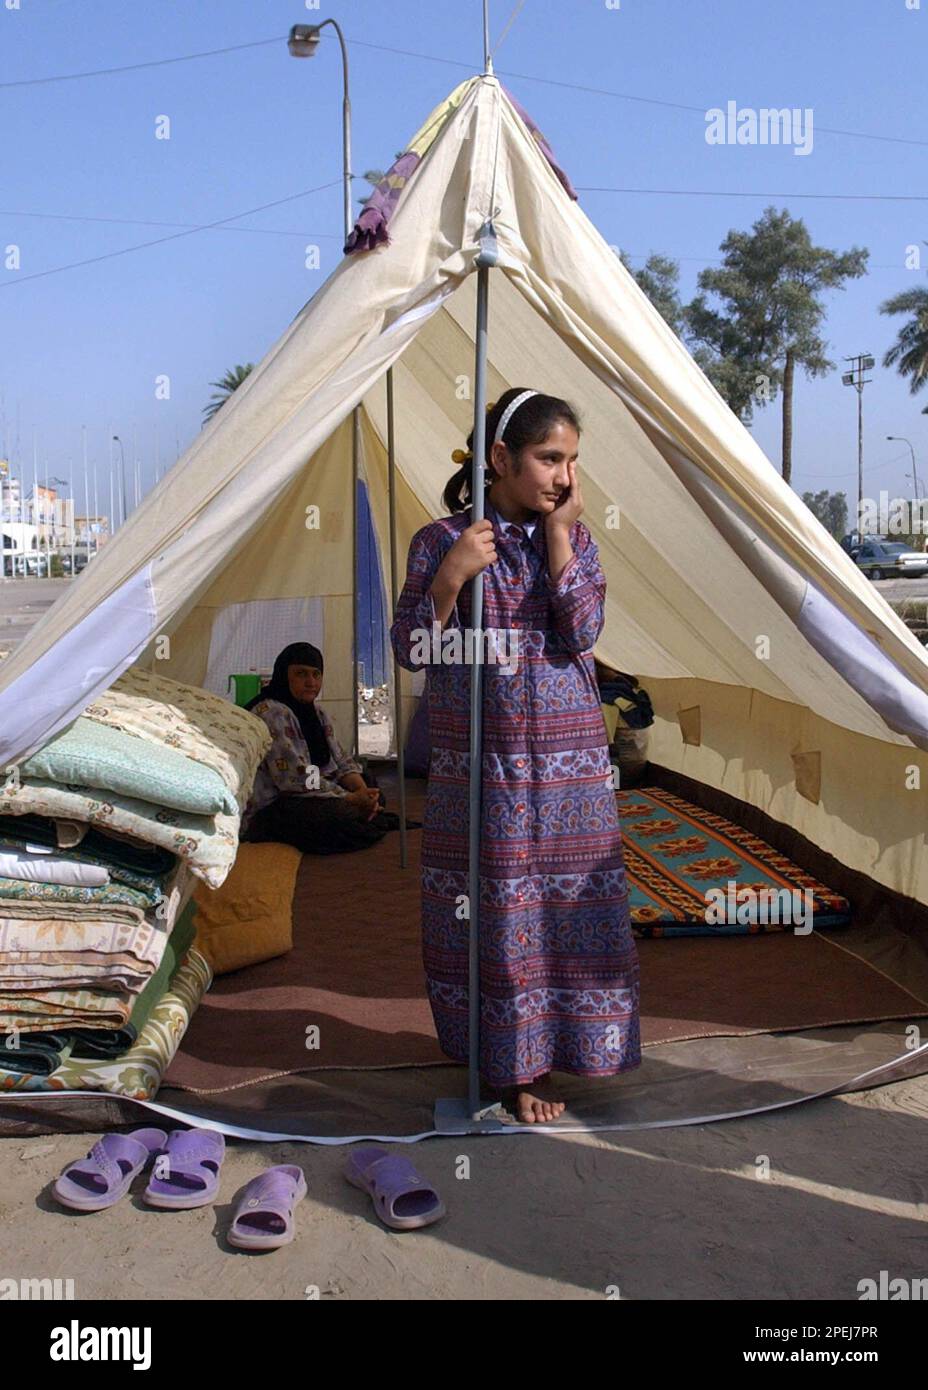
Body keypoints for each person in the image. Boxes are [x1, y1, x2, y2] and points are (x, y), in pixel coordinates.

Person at [390, 387, 641, 1123]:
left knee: (568, 910)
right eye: (548, 459)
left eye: (572, 461)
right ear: (500, 459)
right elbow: (410, 649)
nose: (564, 477)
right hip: (484, 773)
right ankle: (513, 1068)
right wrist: (451, 577)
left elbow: (585, 630)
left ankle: (574, 1054)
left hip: (572, 772)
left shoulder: (576, 538)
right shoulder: (443, 540)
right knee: (498, 916)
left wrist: (562, 538)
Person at [241, 642, 412, 854]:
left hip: (312, 787)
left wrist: (360, 790)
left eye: (316, 675)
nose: (310, 682)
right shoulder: (273, 713)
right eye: (301, 674)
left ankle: (364, 812)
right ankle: (364, 815)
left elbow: (340, 760)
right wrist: (349, 798)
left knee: (369, 783)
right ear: (284, 676)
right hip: (275, 804)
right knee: (335, 818)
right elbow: (297, 779)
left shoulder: (316, 712)